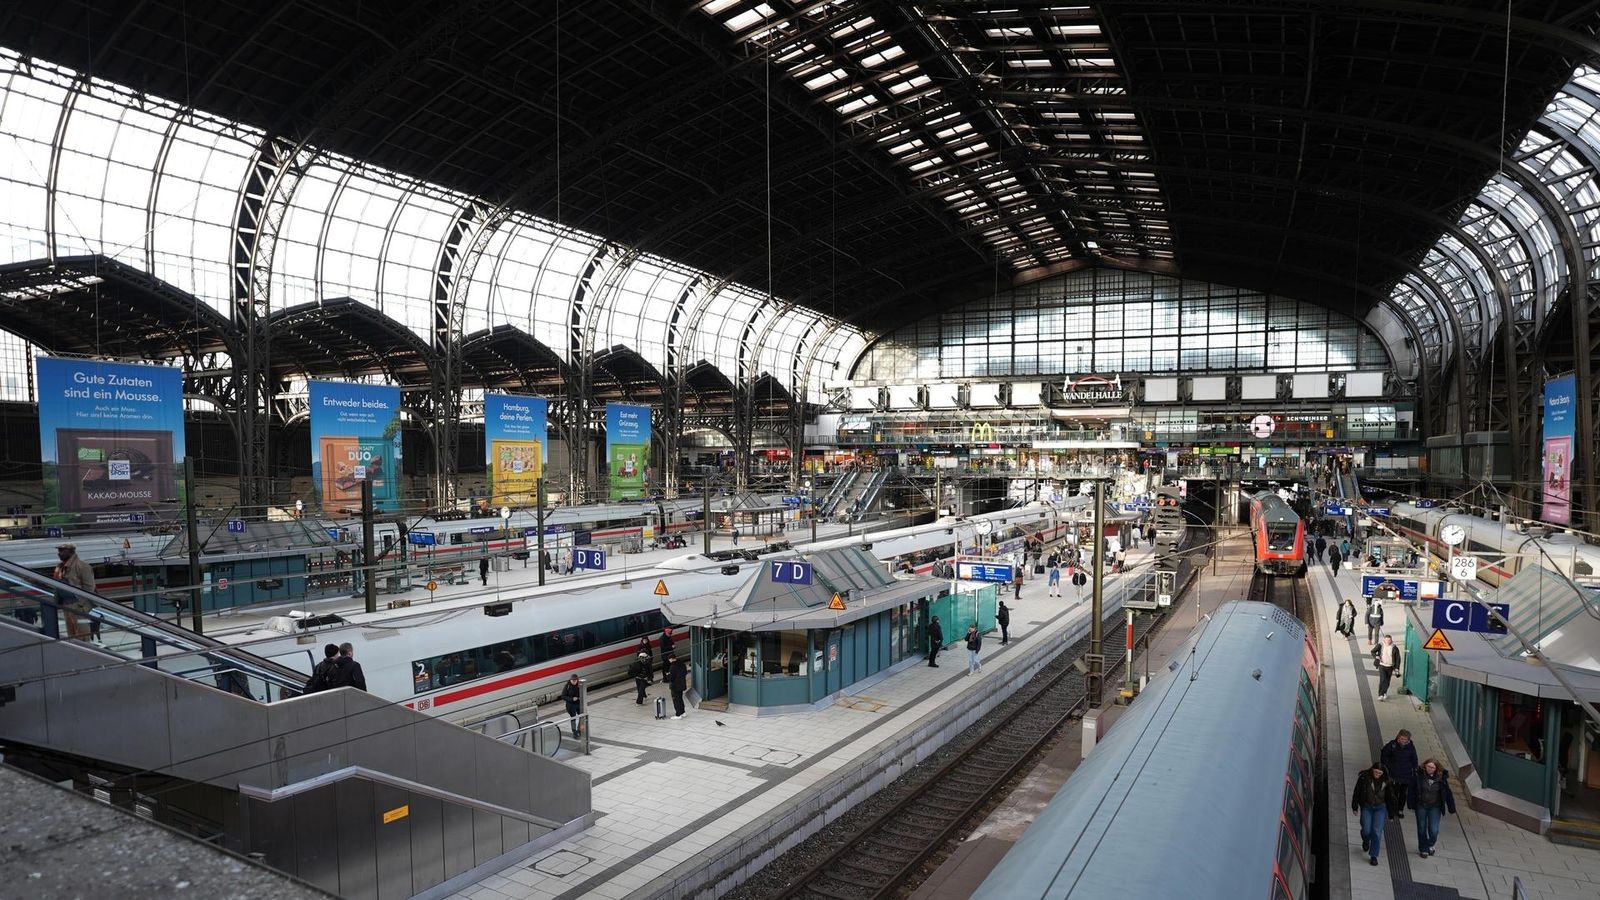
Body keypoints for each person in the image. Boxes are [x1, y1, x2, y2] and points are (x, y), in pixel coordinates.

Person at [1408, 758, 1458, 857]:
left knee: (1434, 830)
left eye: (1432, 767)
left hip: (1435, 807)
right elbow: (1411, 789)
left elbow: (1447, 793)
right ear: (1425, 766)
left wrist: (1451, 807)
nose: (1430, 769)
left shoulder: (1441, 779)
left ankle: (1430, 844)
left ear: (1436, 769)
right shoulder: (1418, 776)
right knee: (1421, 828)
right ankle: (1423, 849)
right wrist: (1410, 803)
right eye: (1428, 766)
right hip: (1421, 805)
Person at [1352, 761, 1393, 866]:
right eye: (1376, 772)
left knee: (1377, 831)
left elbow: (1391, 797)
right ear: (1372, 770)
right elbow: (1357, 791)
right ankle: (1366, 840)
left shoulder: (1387, 781)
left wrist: (1391, 813)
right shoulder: (1364, 778)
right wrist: (1355, 806)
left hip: (1380, 808)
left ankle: (1374, 855)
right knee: (1366, 830)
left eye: (1380, 773)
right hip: (1367, 806)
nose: (1377, 774)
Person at [53, 543, 96, 640]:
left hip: (78, 606)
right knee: (71, 634)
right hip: (66, 605)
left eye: (62, 551)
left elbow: (89, 587)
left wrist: (80, 604)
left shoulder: (82, 566)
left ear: (70, 552)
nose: (59, 553)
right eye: (59, 551)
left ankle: (84, 649)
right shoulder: (60, 567)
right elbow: (56, 585)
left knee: (82, 634)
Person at [1382, 729, 1420, 818]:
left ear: (1408, 740)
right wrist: (1389, 766)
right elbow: (1384, 756)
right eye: (1401, 738)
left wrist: (1414, 768)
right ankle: (1392, 808)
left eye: (1405, 739)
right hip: (1394, 773)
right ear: (1398, 737)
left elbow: (1414, 758)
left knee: (1403, 793)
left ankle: (1400, 809)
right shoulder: (1392, 745)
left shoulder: (1411, 747)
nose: (1403, 741)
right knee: (1394, 792)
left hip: (1406, 774)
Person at [1375, 634, 1402, 702]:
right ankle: (1380, 695)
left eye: (1389, 640)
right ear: (1384, 640)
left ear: (1391, 640)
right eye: (1387, 640)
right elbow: (1373, 651)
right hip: (1382, 665)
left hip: (1390, 666)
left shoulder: (1394, 647)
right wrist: (1376, 657)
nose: (1388, 641)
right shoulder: (1380, 645)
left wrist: (1397, 668)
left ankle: (1385, 692)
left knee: (1387, 681)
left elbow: (1398, 659)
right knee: (1382, 679)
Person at [561, 673, 583, 738]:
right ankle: (574, 732)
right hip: (571, 705)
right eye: (572, 680)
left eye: (575, 680)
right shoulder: (567, 686)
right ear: (570, 680)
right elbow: (563, 696)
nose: (574, 682)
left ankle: (579, 730)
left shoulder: (579, 685)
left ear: (577, 680)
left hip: (578, 704)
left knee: (582, 717)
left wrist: (579, 697)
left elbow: (583, 692)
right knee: (573, 718)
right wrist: (572, 699)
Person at [668, 655, 689, 719]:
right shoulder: (682, 664)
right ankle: (683, 712)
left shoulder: (672, 666)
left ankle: (678, 714)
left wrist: (668, 675)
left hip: (675, 686)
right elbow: (685, 672)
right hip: (681, 685)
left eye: (669, 659)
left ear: (671, 659)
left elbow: (671, 678)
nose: (669, 661)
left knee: (676, 700)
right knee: (680, 698)